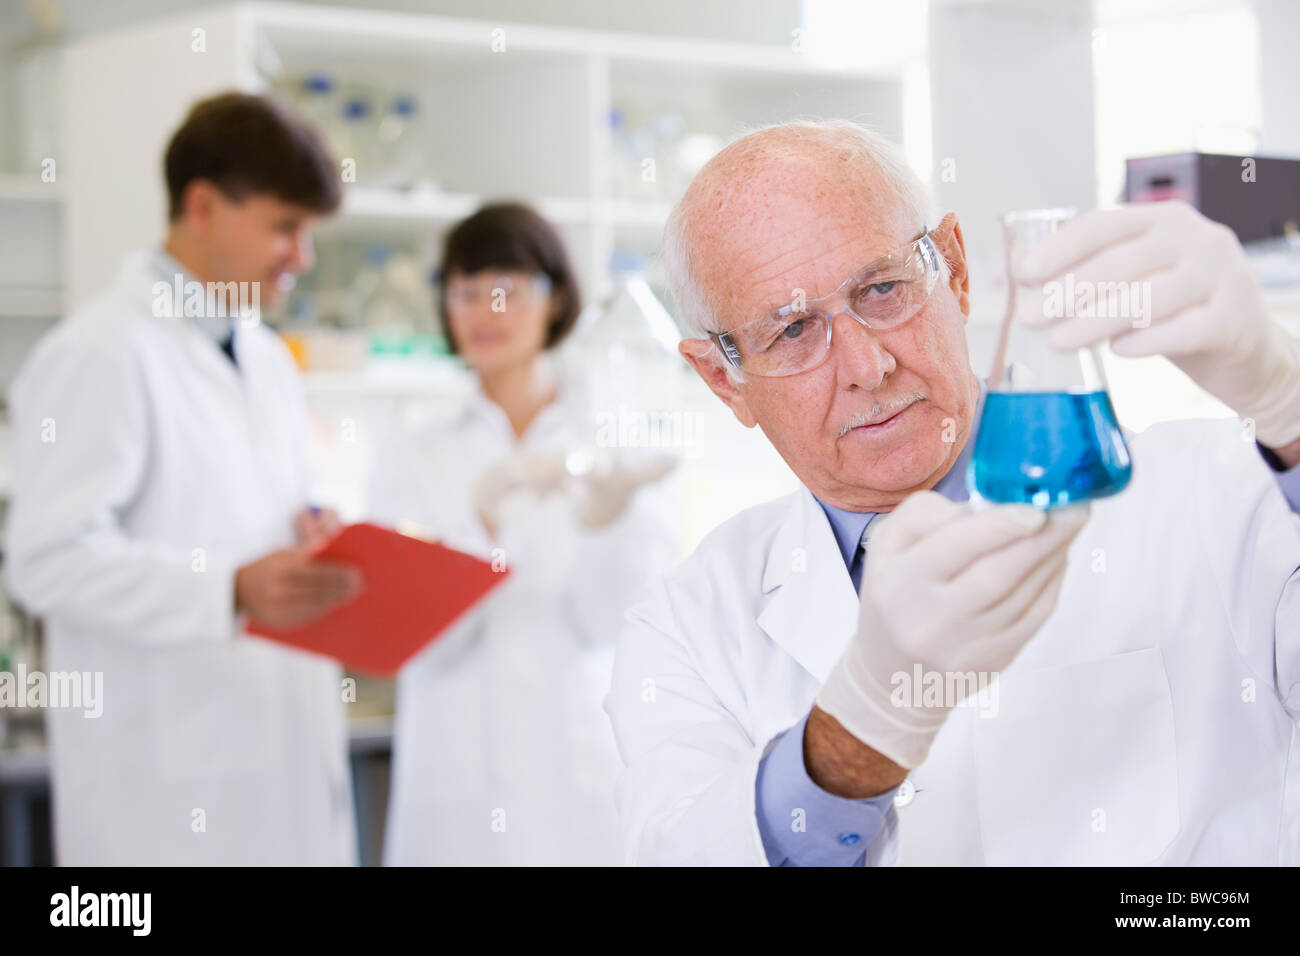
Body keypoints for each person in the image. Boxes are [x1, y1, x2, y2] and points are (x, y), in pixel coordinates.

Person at [604, 120, 1300, 866]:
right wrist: (865, 724)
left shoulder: (1216, 495)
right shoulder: (686, 629)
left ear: (957, 272)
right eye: (794, 330)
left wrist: (1291, 403)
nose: (868, 366)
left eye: (882, 289)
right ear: (721, 379)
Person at [5, 92, 362, 865]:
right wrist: (226, 590)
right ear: (202, 206)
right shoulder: (100, 352)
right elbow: (44, 558)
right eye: (283, 228)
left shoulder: (265, 358)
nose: (301, 258)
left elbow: (252, 508)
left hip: (283, 767)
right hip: (166, 806)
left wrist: (315, 527)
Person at [369, 203, 678, 866]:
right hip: (453, 791)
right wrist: (477, 522)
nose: (485, 311)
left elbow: (617, 624)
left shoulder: (609, 437)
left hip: (577, 776)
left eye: (506, 290)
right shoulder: (409, 452)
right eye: (465, 292)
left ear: (556, 299)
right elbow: (414, 634)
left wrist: (608, 519)